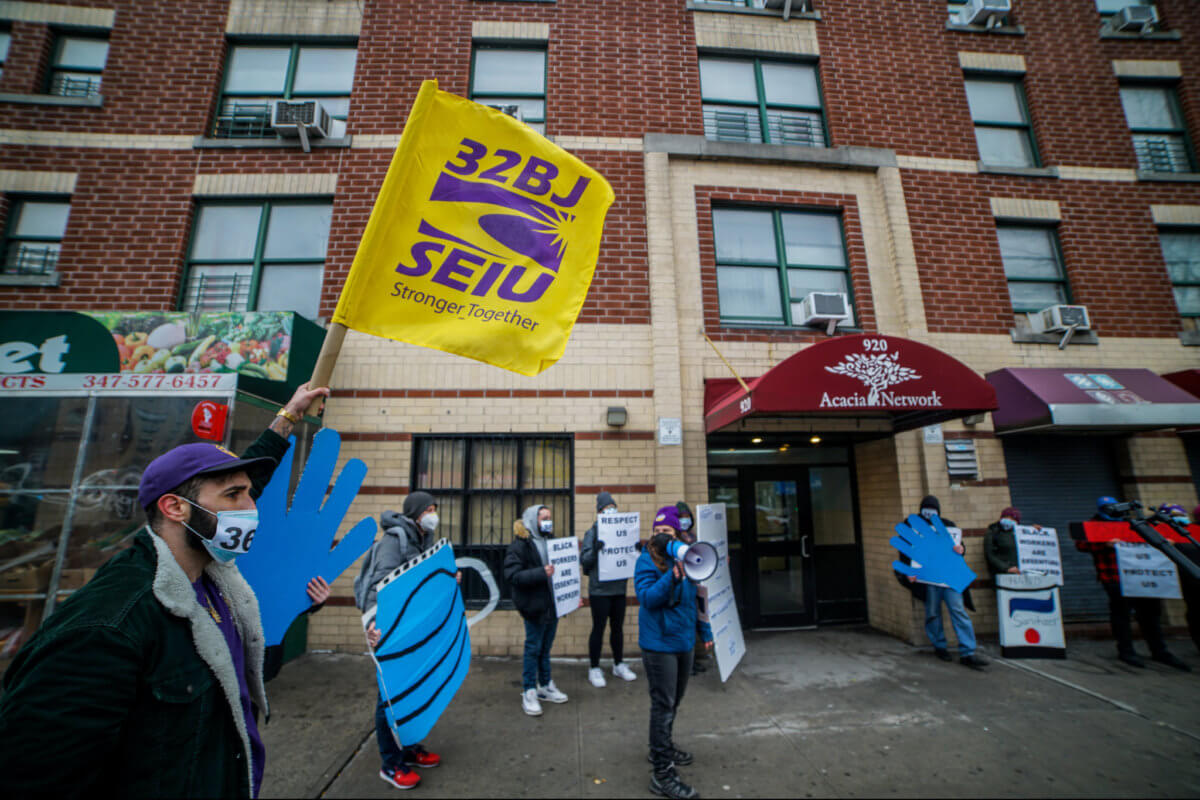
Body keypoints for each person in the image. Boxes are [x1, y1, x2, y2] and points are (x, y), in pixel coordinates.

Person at [0, 383, 330, 798]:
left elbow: (237, 488)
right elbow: (34, 776)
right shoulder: (105, 627)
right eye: (235, 495)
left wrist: (291, 415)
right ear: (174, 508)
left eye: (250, 493)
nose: (250, 508)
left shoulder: (210, 576)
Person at [354, 491, 444, 790]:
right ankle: (391, 764)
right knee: (389, 699)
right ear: (416, 512)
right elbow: (380, 585)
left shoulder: (423, 539)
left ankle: (410, 748)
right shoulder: (396, 539)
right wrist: (375, 624)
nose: (433, 513)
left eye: (435, 508)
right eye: (428, 509)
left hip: (412, 630)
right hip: (390, 632)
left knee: (413, 692)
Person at [636, 505, 713, 800]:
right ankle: (662, 774)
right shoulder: (646, 560)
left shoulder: (689, 556)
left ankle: (662, 748)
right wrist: (673, 577)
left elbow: (698, 599)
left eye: (667, 532)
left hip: (683, 642)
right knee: (663, 705)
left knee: (674, 702)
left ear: (677, 533)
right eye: (657, 533)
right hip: (658, 645)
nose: (661, 538)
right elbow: (646, 598)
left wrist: (704, 633)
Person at [1075, 496, 1189, 670]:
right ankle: (1126, 651)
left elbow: (1155, 539)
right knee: (1122, 615)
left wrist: (1168, 543)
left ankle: (1160, 651)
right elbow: (1081, 545)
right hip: (1115, 578)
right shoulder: (1094, 525)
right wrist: (1104, 545)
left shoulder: (1135, 522)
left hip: (1144, 577)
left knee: (1151, 615)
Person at [895, 495, 987, 670]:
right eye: (926, 509)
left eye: (932, 510)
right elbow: (905, 551)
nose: (929, 513)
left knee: (958, 611)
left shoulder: (948, 525)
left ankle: (968, 652)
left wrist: (962, 549)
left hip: (949, 578)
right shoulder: (912, 526)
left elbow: (959, 547)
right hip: (928, 579)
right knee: (932, 612)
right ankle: (940, 646)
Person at [503, 504, 568, 716]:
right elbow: (513, 576)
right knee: (533, 648)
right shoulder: (520, 546)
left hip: (552, 606)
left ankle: (546, 684)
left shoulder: (553, 542)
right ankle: (529, 689)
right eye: (543, 518)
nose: (548, 522)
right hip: (534, 607)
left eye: (550, 517)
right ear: (532, 521)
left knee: (545, 648)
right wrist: (541, 573)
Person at [579, 491, 636, 687]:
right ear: (599, 512)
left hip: (619, 589)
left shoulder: (623, 530)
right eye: (606, 508)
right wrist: (595, 549)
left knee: (617, 629)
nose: (611, 510)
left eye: (613, 507)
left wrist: (634, 549)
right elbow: (584, 560)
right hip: (599, 591)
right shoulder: (592, 532)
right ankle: (594, 667)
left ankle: (618, 664)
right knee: (599, 628)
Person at [674, 500, 708, 677]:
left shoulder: (693, 537)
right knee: (682, 626)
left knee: (694, 623)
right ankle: (683, 664)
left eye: (687, 517)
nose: (684, 521)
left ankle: (692, 661)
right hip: (681, 587)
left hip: (695, 585)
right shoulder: (675, 538)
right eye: (681, 517)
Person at [983, 506, 1025, 576]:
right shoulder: (993, 531)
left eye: (1012, 518)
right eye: (1006, 517)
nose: (1008, 519)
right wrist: (1006, 568)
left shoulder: (1020, 532)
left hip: (1020, 572)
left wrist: (1035, 531)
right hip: (1002, 573)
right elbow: (989, 554)